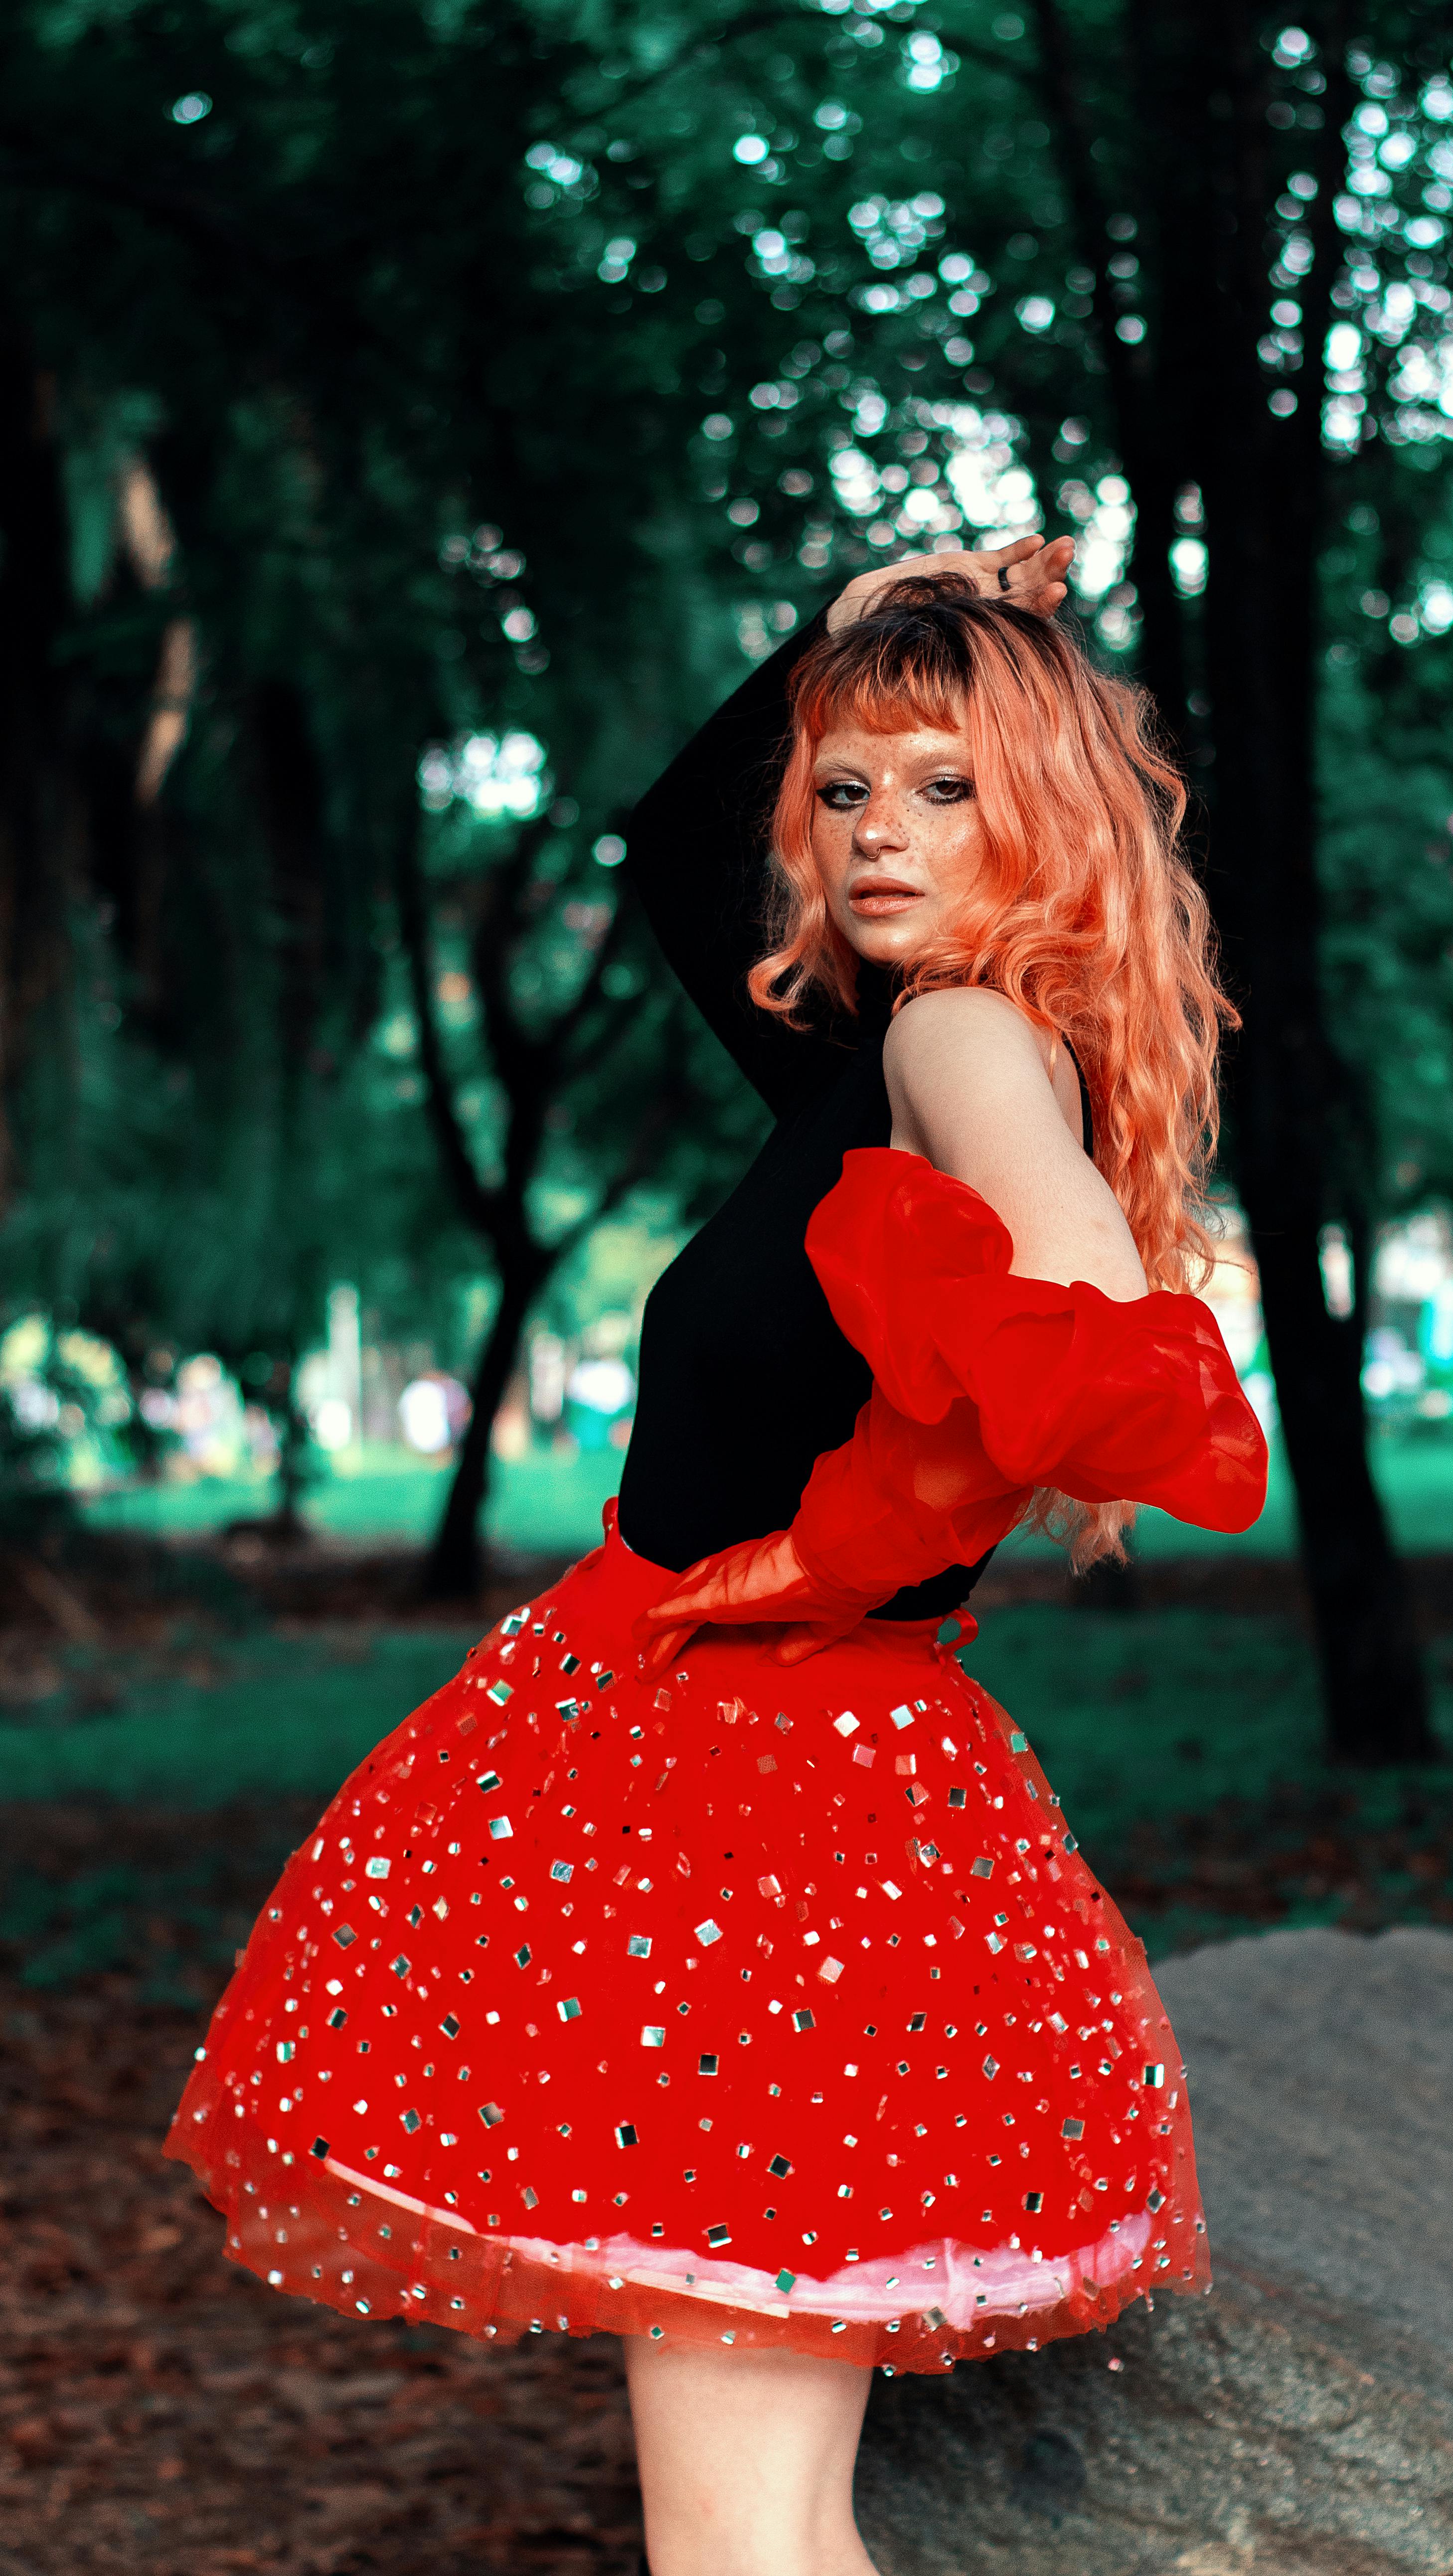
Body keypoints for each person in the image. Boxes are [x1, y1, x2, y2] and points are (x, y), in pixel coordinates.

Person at [164, 536, 1266, 2576]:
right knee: (743, 2526)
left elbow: (1105, 1357)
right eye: (845, 788)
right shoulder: (857, 1070)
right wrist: (857, 619)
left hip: (769, 1809)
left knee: (743, 2535)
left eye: (944, 785)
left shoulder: (954, 1043)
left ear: (1046, 810)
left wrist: (834, 1556)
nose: (873, 832)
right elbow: (680, 854)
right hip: (722, 1780)